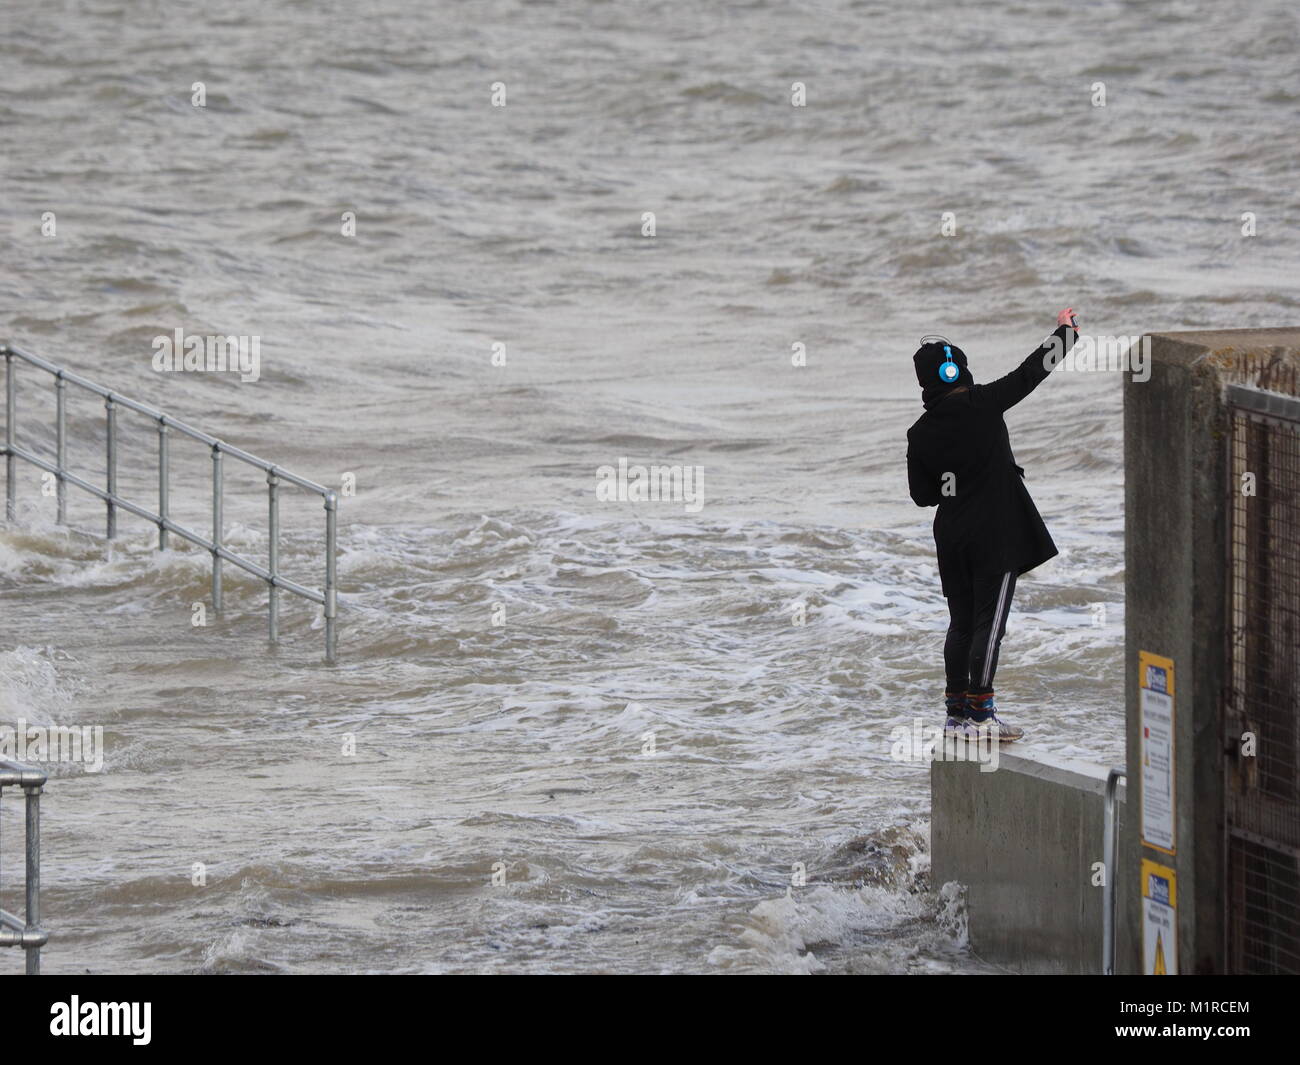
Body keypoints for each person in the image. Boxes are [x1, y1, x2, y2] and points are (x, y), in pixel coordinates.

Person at [905, 309, 1080, 741]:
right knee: (990, 625)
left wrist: (955, 483)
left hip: (952, 536)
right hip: (996, 534)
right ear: (958, 369)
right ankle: (983, 716)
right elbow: (1029, 374)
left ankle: (957, 716)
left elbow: (923, 496)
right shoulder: (983, 403)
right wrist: (1067, 334)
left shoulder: (919, 433)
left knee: (961, 624)